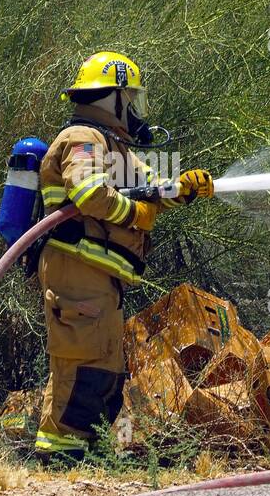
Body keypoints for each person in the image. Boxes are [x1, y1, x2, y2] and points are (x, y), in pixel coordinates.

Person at [34, 51, 214, 460]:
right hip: (77, 269)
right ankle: (59, 456)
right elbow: (88, 193)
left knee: (104, 367)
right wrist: (137, 213)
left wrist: (181, 189)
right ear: (113, 97)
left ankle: (82, 449)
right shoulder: (82, 139)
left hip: (98, 275)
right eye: (131, 97)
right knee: (83, 364)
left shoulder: (114, 146)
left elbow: (150, 190)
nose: (136, 108)